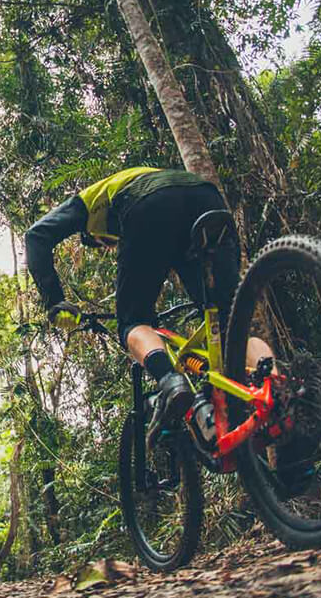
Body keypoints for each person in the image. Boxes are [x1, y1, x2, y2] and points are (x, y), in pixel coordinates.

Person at [25, 166, 253, 443]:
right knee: (232, 325)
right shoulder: (143, 172)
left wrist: (55, 301)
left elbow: (36, 235)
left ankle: (170, 381)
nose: (112, 245)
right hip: (207, 197)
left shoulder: (88, 201)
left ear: (92, 233)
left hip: (151, 203)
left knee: (133, 322)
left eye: (107, 242)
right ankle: (277, 388)